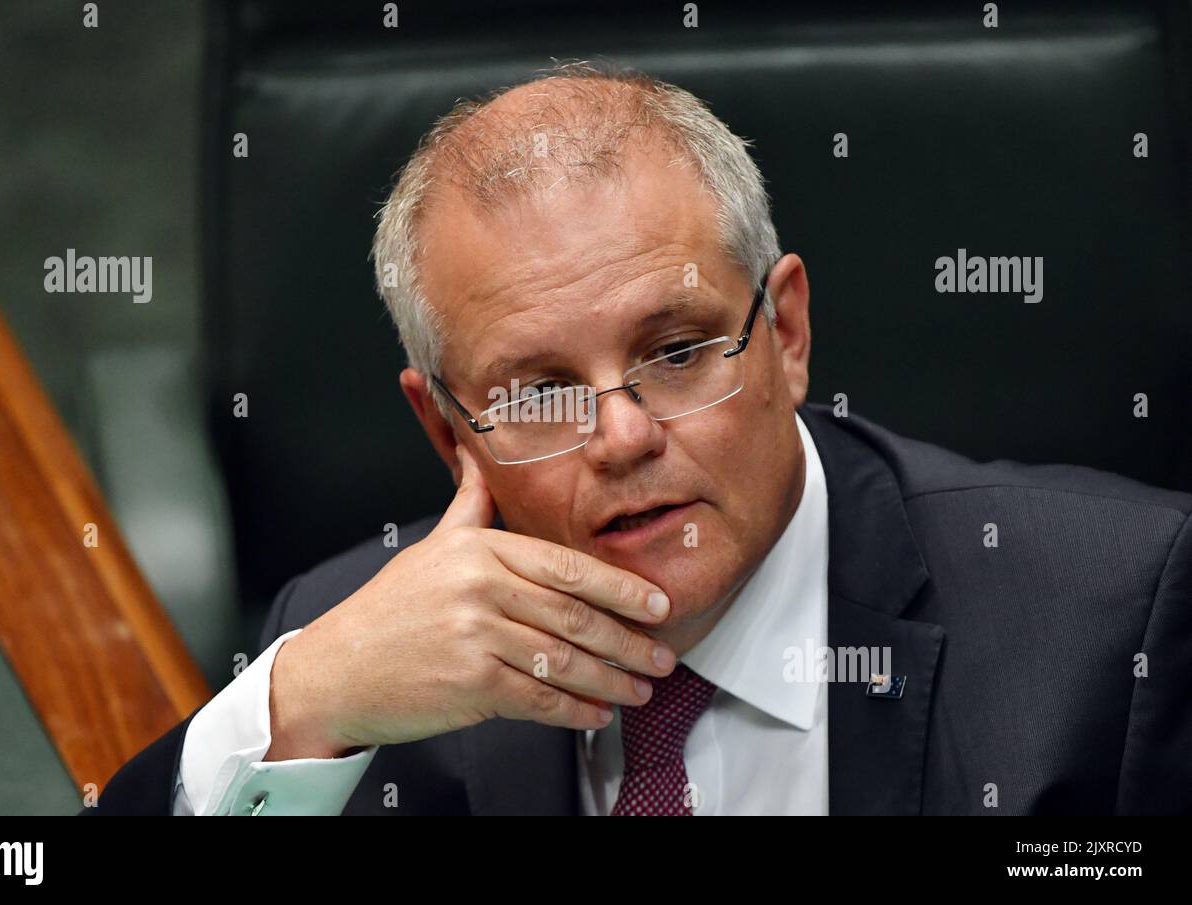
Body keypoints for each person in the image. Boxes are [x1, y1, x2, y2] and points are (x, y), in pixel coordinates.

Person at [88, 64, 1192, 816]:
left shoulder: (1110, 618)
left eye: (674, 351)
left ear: (788, 332)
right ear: (442, 426)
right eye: (540, 389)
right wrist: (295, 703)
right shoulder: (356, 666)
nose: (620, 437)